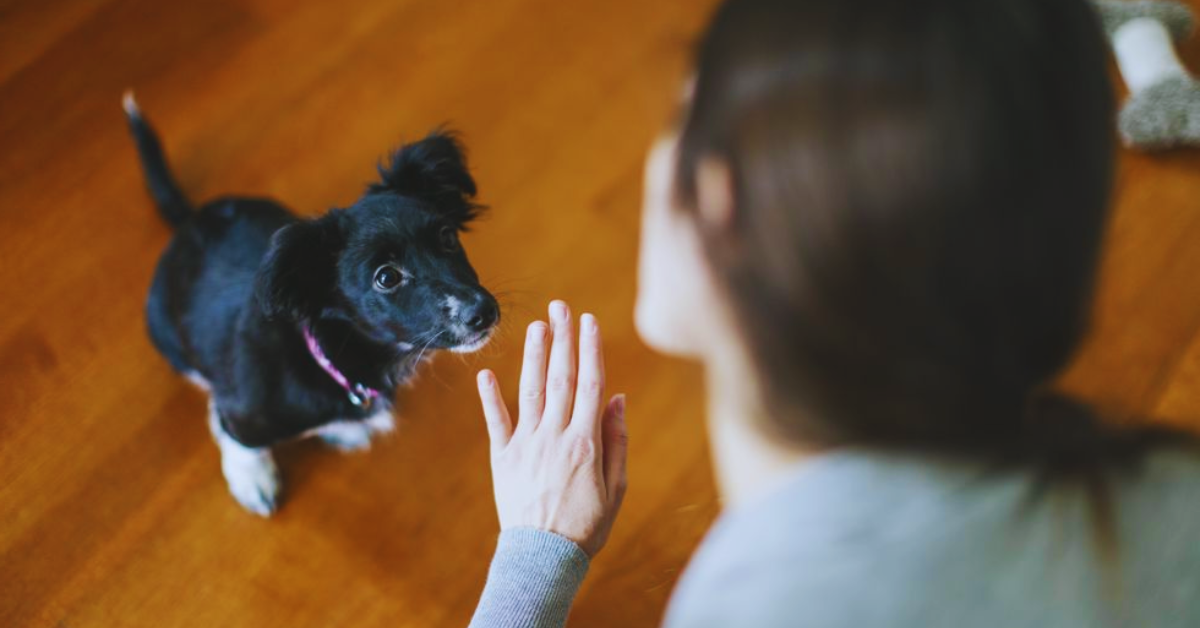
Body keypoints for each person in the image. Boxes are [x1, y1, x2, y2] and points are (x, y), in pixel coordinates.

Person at [467, 0, 1200, 626]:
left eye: (685, 114)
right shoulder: (1176, 495)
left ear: (721, 205)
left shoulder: (770, 604)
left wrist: (531, 566)